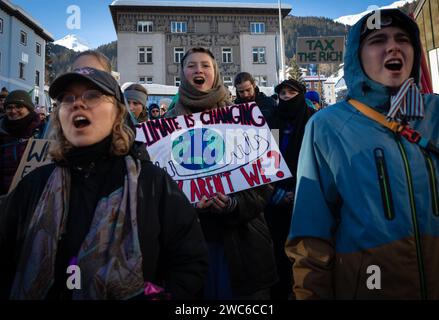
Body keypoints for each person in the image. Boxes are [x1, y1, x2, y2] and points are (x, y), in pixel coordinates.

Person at [0, 67, 208, 300]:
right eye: (68, 98)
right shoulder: (33, 186)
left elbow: (190, 260)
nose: (77, 104)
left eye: (92, 95)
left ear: (118, 114)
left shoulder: (152, 183)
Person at [286, 9, 439, 299]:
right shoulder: (326, 126)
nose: (393, 46)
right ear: (356, 57)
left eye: (403, 39)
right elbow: (311, 235)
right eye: (377, 40)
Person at [165, 47, 277, 299]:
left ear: (215, 73)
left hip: (243, 242)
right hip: (188, 246)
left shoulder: (246, 117)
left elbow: (267, 176)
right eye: (191, 65)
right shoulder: (164, 127)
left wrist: (234, 204)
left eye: (205, 65)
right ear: (182, 73)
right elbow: (156, 189)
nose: (199, 70)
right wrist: (187, 205)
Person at [265, 79, 315, 300]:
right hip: (275, 198)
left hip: (304, 197)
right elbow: (264, 161)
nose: (286, 96)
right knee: (277, 252)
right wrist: (275, 193)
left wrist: (300, 194)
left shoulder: (312, 121)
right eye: (282, 93)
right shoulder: (271, 121)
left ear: (301, 95)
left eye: (291, 92)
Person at [0, 90, 43, 195]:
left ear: (29, 109)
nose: (13, 111)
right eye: (9, 107)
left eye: (19, 106)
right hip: (4, 196)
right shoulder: (1, 132)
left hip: (33, 195)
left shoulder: (43, 131)